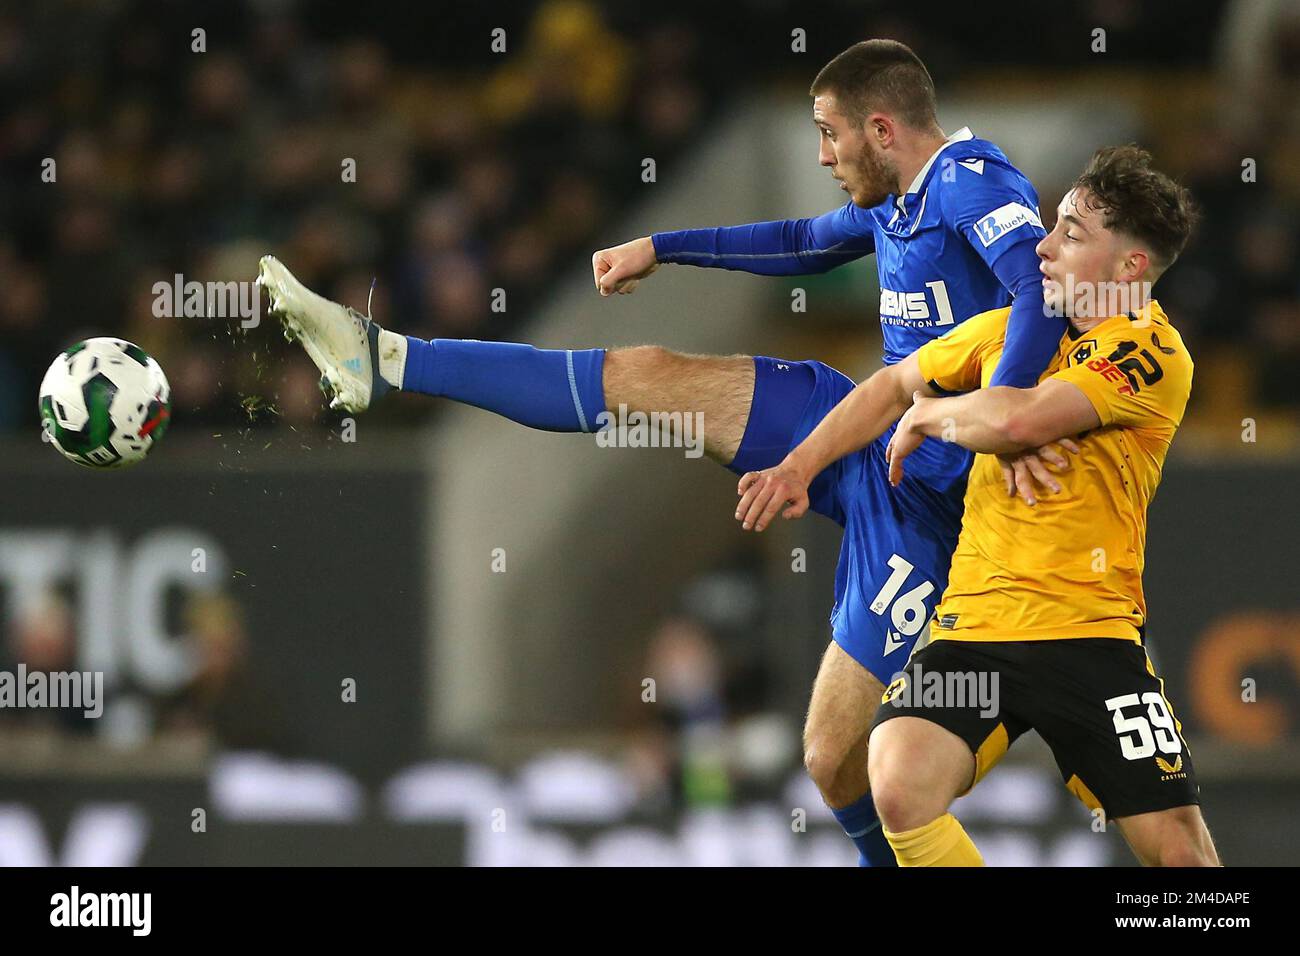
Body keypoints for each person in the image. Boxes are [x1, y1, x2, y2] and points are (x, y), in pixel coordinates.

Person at [260, 37, 1065, 867]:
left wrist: (999, 416)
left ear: (883, 128)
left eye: (830, 134)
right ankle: (387, 358)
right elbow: (800, 240)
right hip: (865, 430)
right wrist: (662, 246)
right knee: (645, 376)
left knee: (829, 759)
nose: (822, 155)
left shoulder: (976, 182)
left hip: (943, 510)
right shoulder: (896, 200)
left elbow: (1041, 298)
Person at [735, 145, 1218, 866]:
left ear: (1130, 270)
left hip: (1088, 635)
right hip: (977, 630)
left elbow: (1017, 421)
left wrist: (935, 418)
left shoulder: (1151, 352)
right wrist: (801, 465)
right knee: (896, 778)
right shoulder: (1009, 332)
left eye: (1073, 235)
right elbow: (891, 386)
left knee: (1177, 852)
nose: (1044, 246)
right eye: (1053, 225)